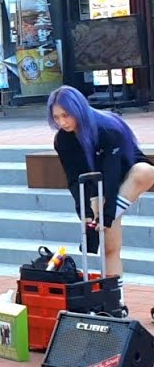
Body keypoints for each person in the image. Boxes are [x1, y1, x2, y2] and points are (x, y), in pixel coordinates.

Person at [49, 85, 154, 317]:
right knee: (109, 248)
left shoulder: (107, 128)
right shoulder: (63, 140)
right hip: (95, 185)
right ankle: (116, 306)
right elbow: (74, 180)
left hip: (124, 177)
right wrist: (85, 213)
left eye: (66, 115)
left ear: (79, 109)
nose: (62, 122)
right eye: (56, 117)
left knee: (145, 171)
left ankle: (104, 221)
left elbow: (112, 172)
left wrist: (105, 217)